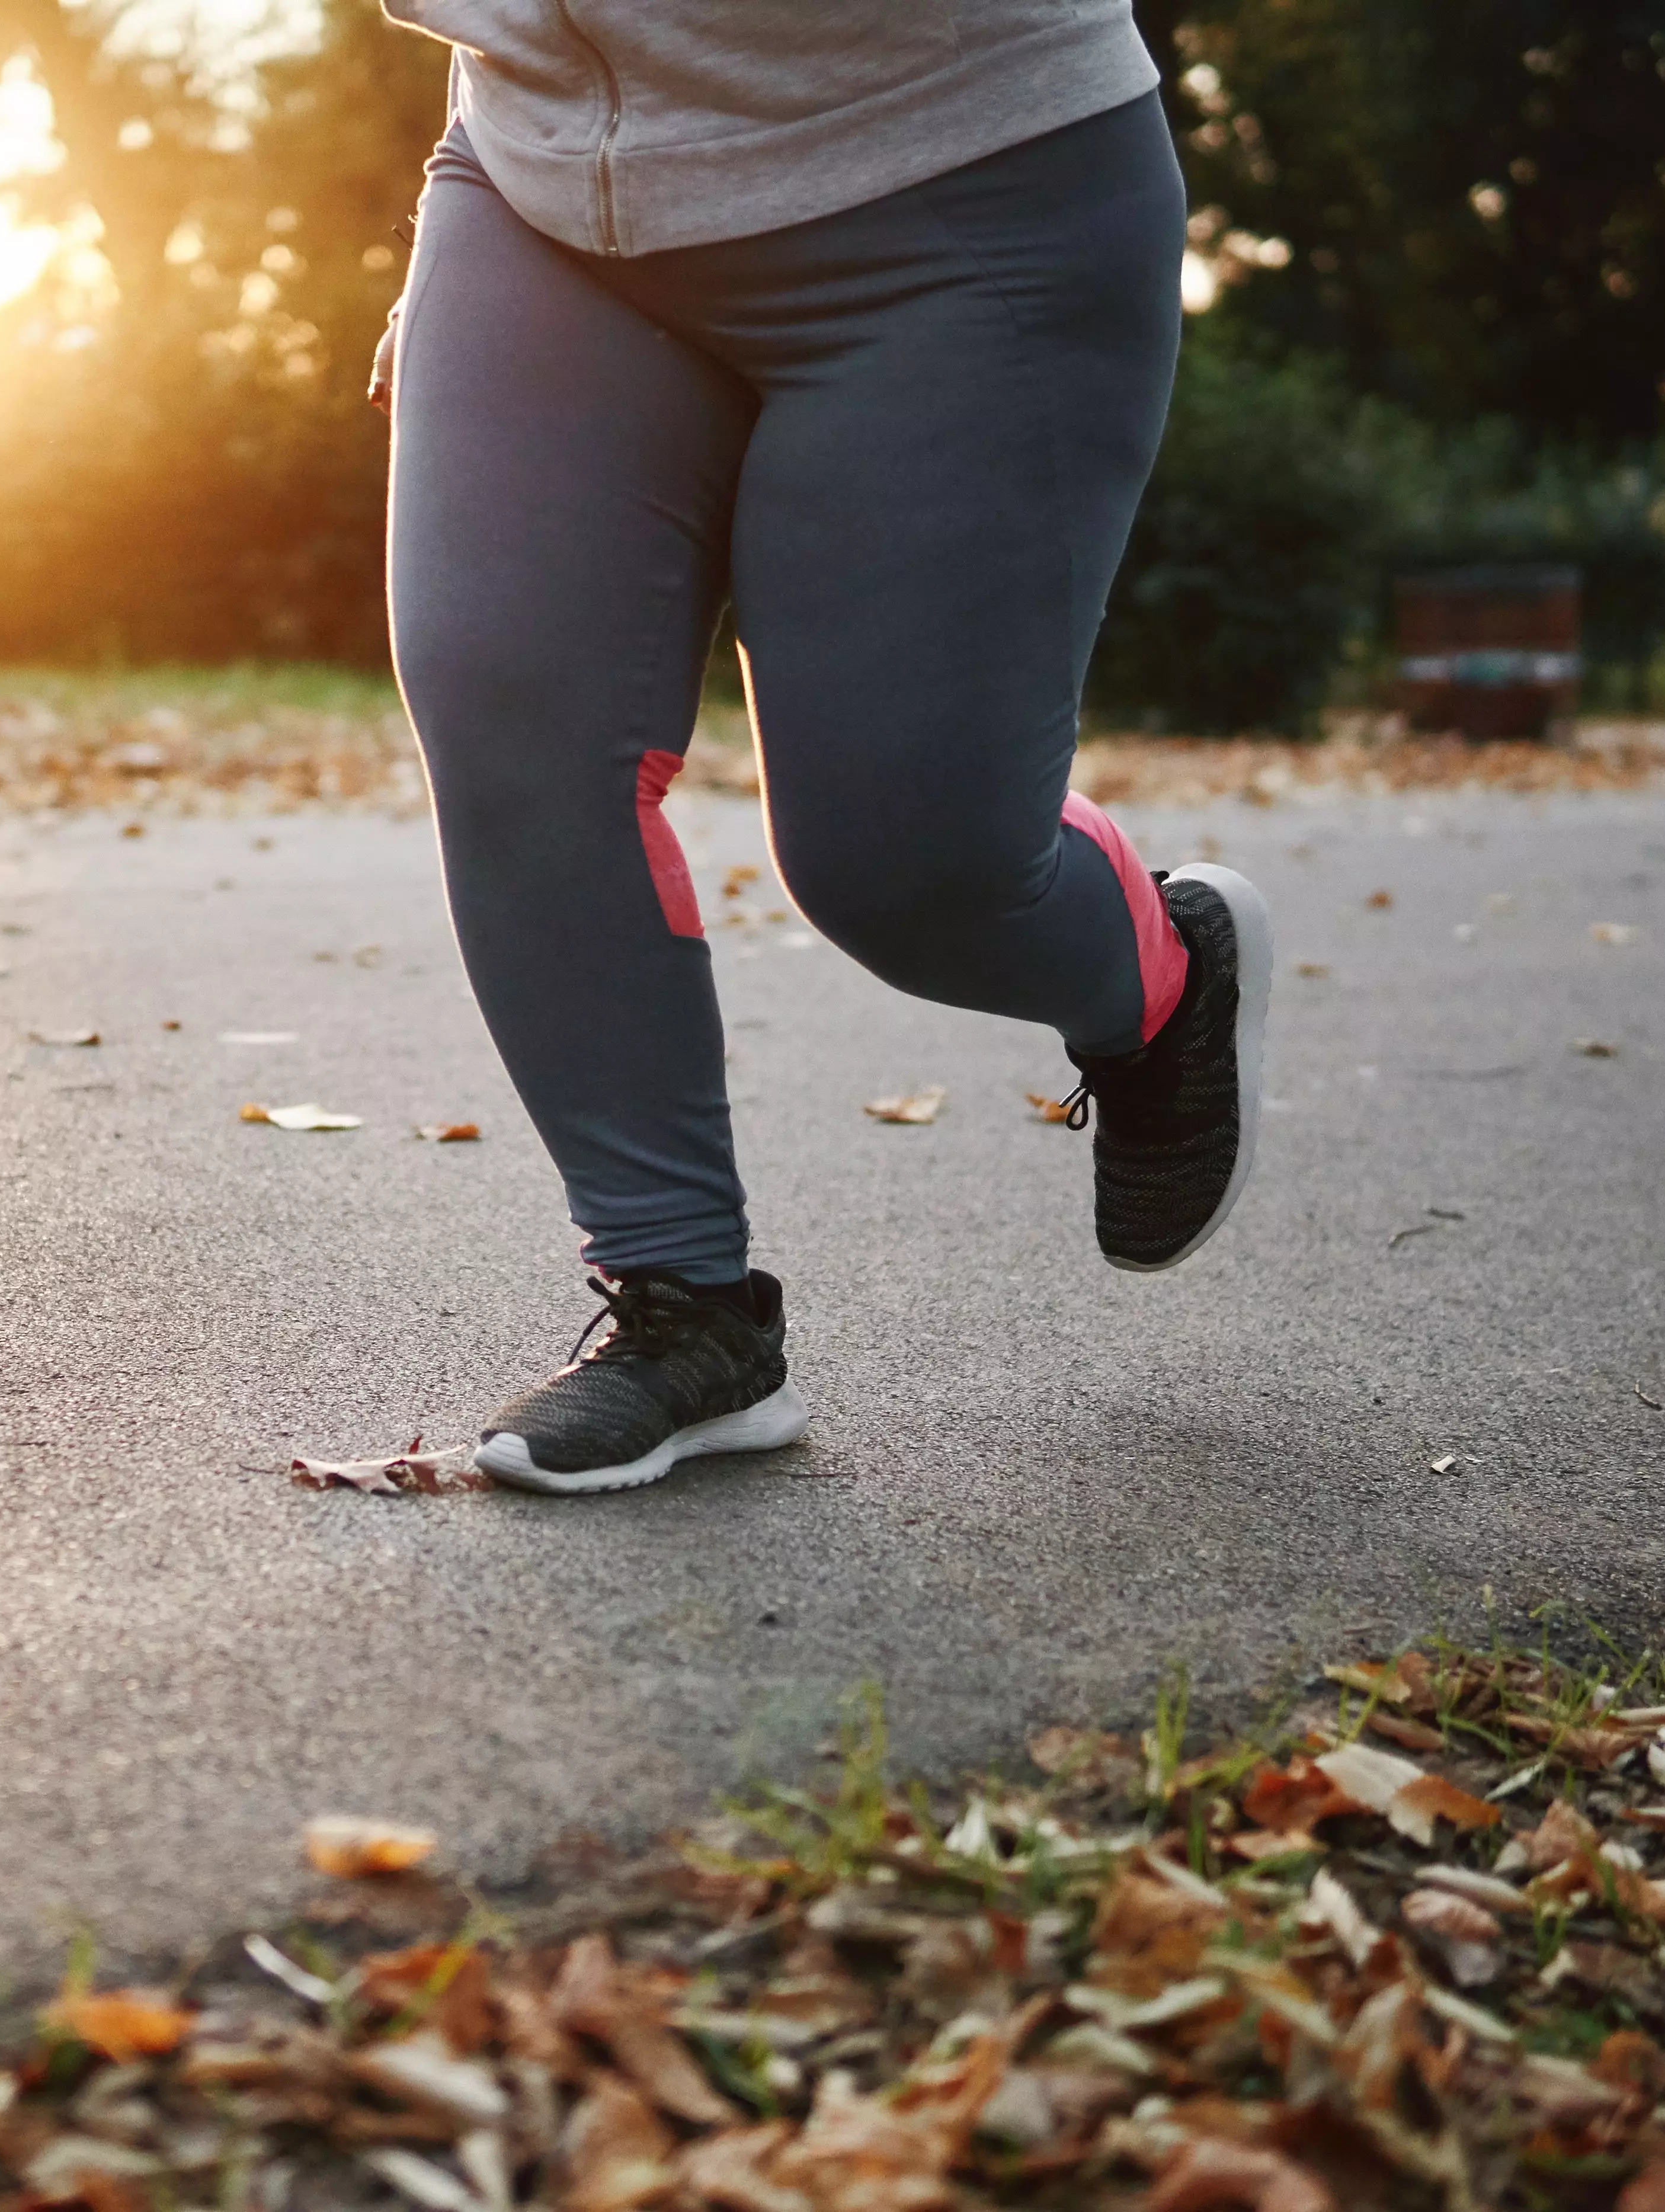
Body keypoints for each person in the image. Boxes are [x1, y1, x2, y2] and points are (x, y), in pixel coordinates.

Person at [369, 2, 1276, 1496]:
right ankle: (685, 1312)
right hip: (541, 184)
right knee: (510, 719)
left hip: (965, 177)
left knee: (901, 864)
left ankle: (1155, 973)